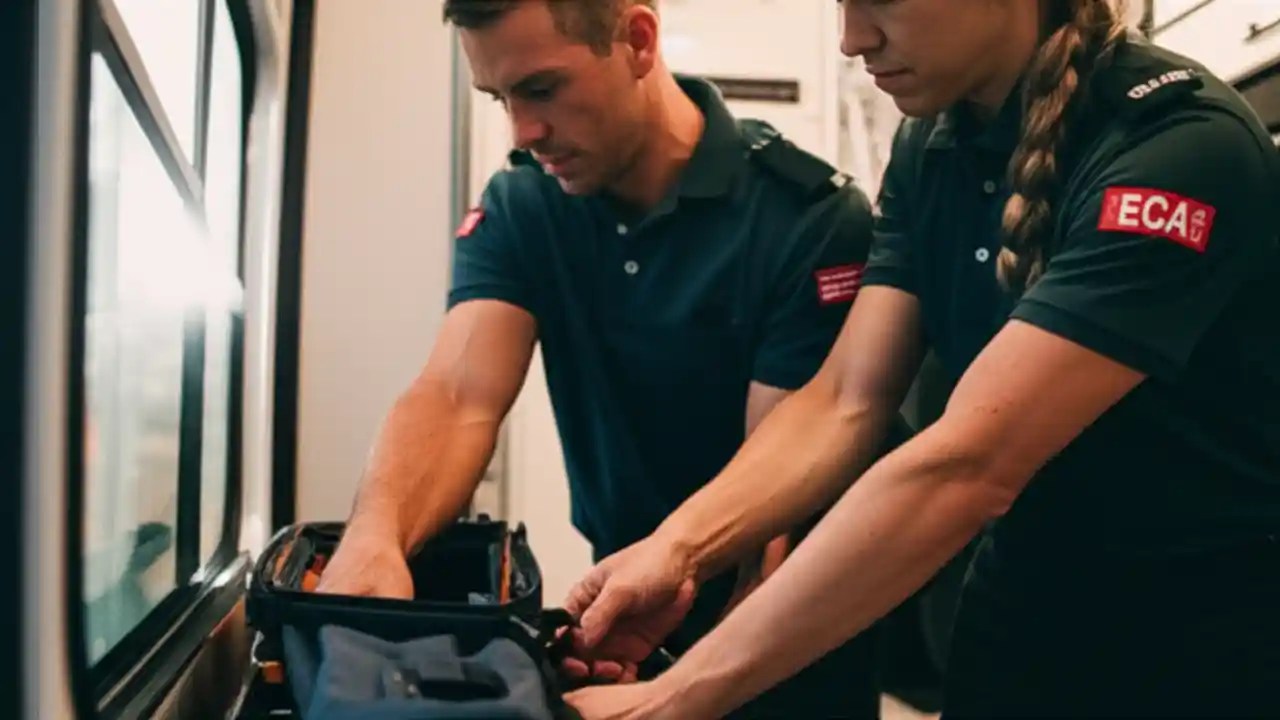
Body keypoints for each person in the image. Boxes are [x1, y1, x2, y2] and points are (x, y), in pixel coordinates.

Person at [561, 0, 1280, 717]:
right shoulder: (931, 142)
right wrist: (677, 549)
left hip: (1194, 649)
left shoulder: (1177, 144)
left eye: (881, 2)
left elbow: (966, 464)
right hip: (1018, 623)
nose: (851, 39)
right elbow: (845, 399)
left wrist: (673, 699)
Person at [315, 1, 887, 716]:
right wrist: (377, 537)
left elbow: (776, 528)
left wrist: (689, 689)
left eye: (543, 89)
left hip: (785, 627)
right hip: (622, 615)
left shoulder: (808, 217)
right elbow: (458, 394)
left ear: (638, 40)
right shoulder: (524, 205)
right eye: (501, 98)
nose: (523, 131)